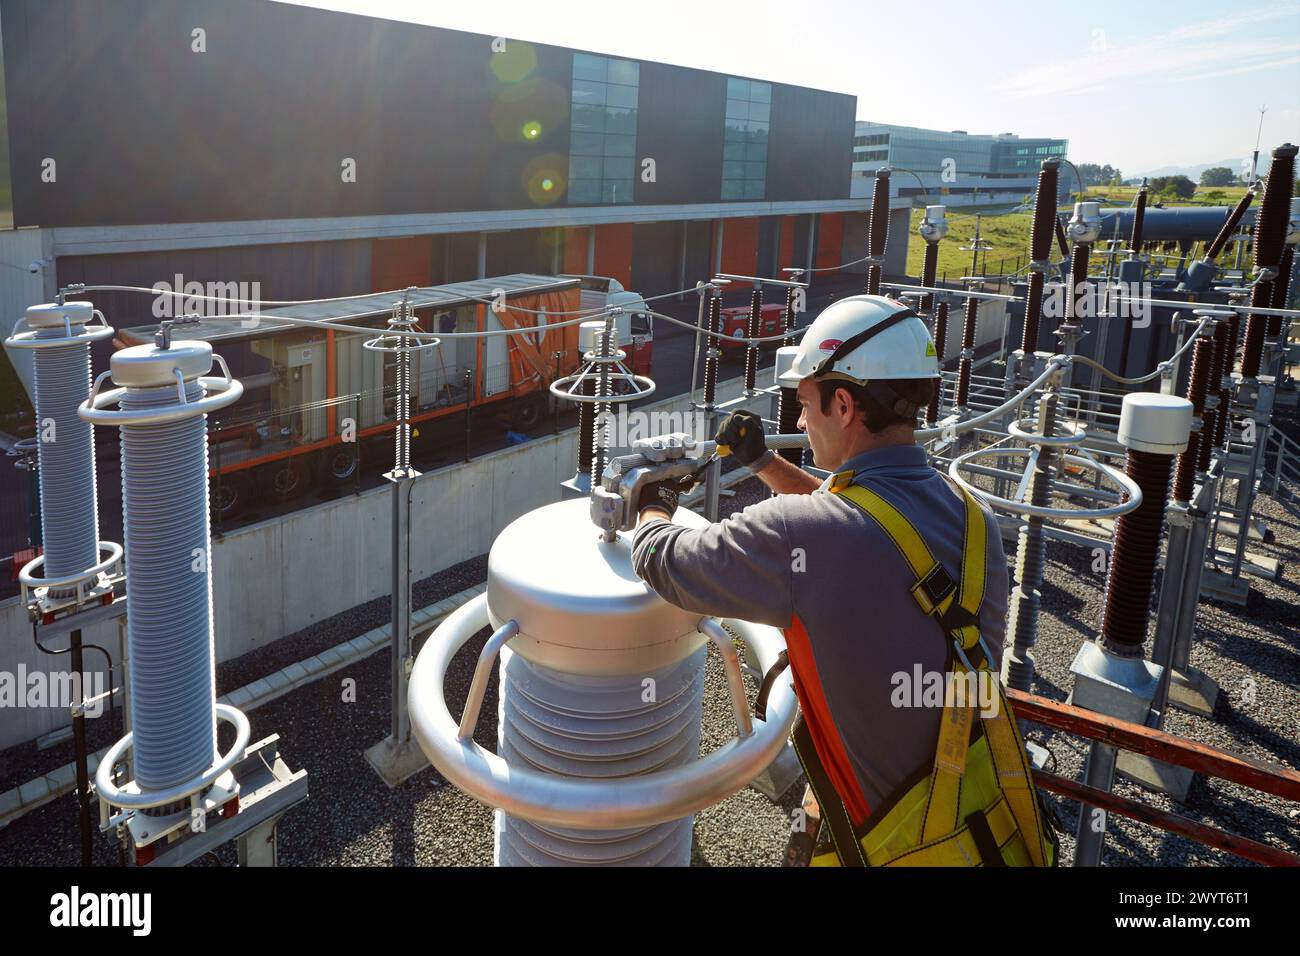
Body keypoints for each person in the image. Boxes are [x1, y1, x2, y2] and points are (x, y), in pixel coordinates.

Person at [631, 294, 1057, 866]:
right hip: (974, 810)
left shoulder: (804, 534)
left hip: (886, 843)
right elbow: (869, 525)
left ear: (843, 403)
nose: (800, 422)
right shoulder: (975, 520)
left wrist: (650, 502)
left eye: (805, 403)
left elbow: (669, 563)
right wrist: (761, 462)